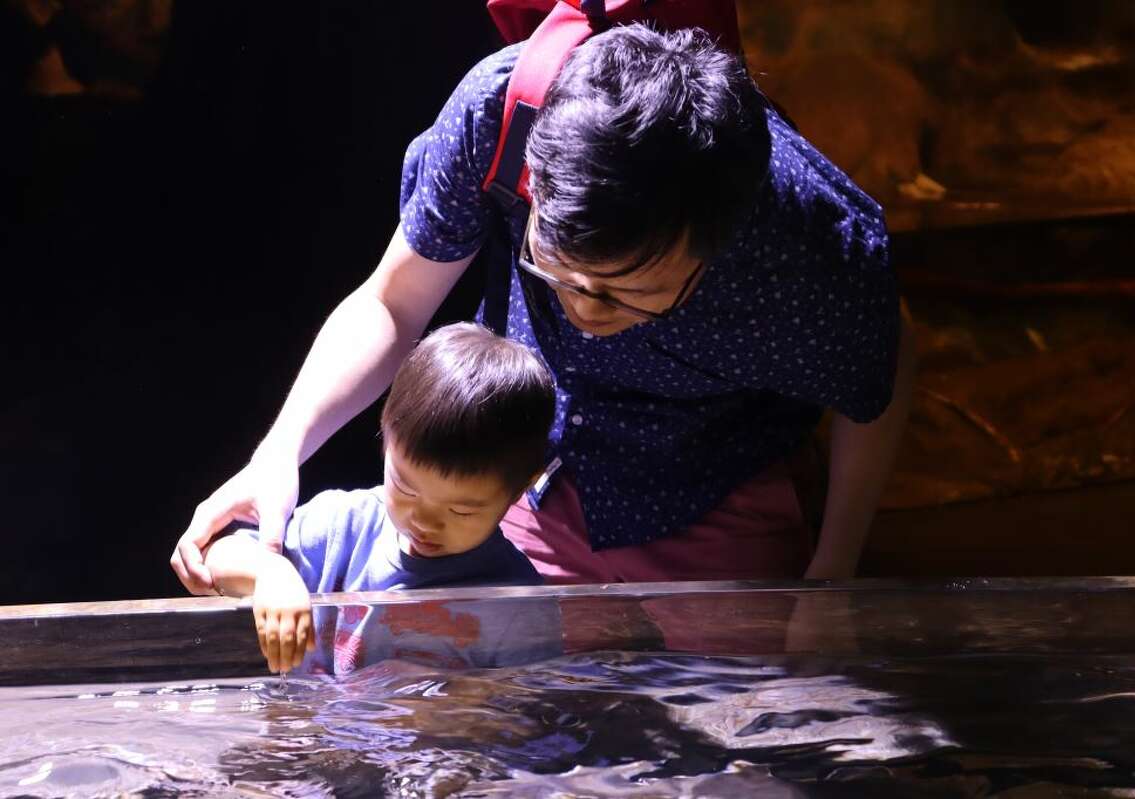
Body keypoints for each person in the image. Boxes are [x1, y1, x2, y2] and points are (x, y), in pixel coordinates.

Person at [173, 23, 915, 594]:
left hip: (717, 487)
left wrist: (832, 575)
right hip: (533, 472)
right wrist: (280, 451)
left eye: (627, 291)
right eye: (560, 271)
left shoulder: (804, 237)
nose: (586, 307)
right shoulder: (502, 116)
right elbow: (394, 301)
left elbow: (877, 375)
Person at [201, 322, 557, 674]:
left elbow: (528, 702)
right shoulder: (345, 526)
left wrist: (463, 699)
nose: (423, 520)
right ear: (386, 444)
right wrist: (270, 573)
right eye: (405, 488)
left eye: (460, 510)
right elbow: (217, 556)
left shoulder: (519, 604)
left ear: (520, 489)